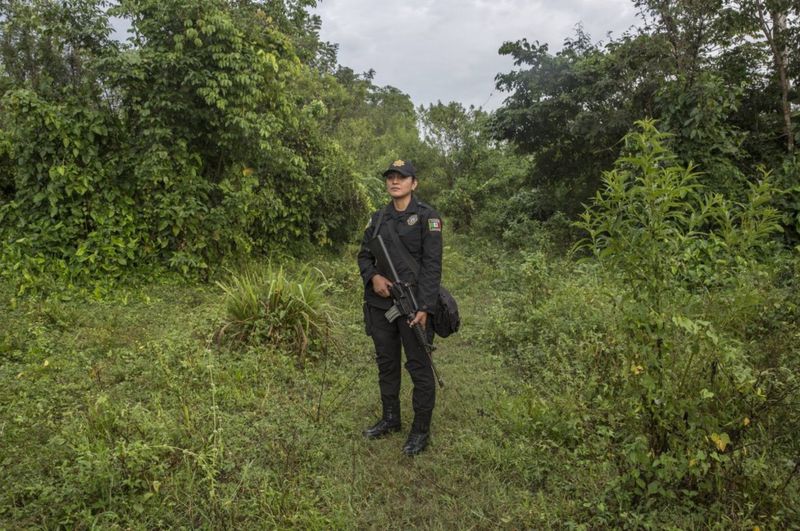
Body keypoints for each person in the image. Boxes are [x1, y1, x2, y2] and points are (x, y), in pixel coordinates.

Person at [357, 159, 443, 456]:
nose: (395, 182)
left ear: (413, 183)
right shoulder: (378, 219)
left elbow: (433, 267)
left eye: (401, 177)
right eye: (391, 177)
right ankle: (391, 419)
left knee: (419, 367)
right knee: (387, 363)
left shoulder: (427, 218)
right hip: (381, 305)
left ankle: (420, 431)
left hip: (414, 306)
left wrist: (426, 308)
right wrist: (374, 277)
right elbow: (364, 257)